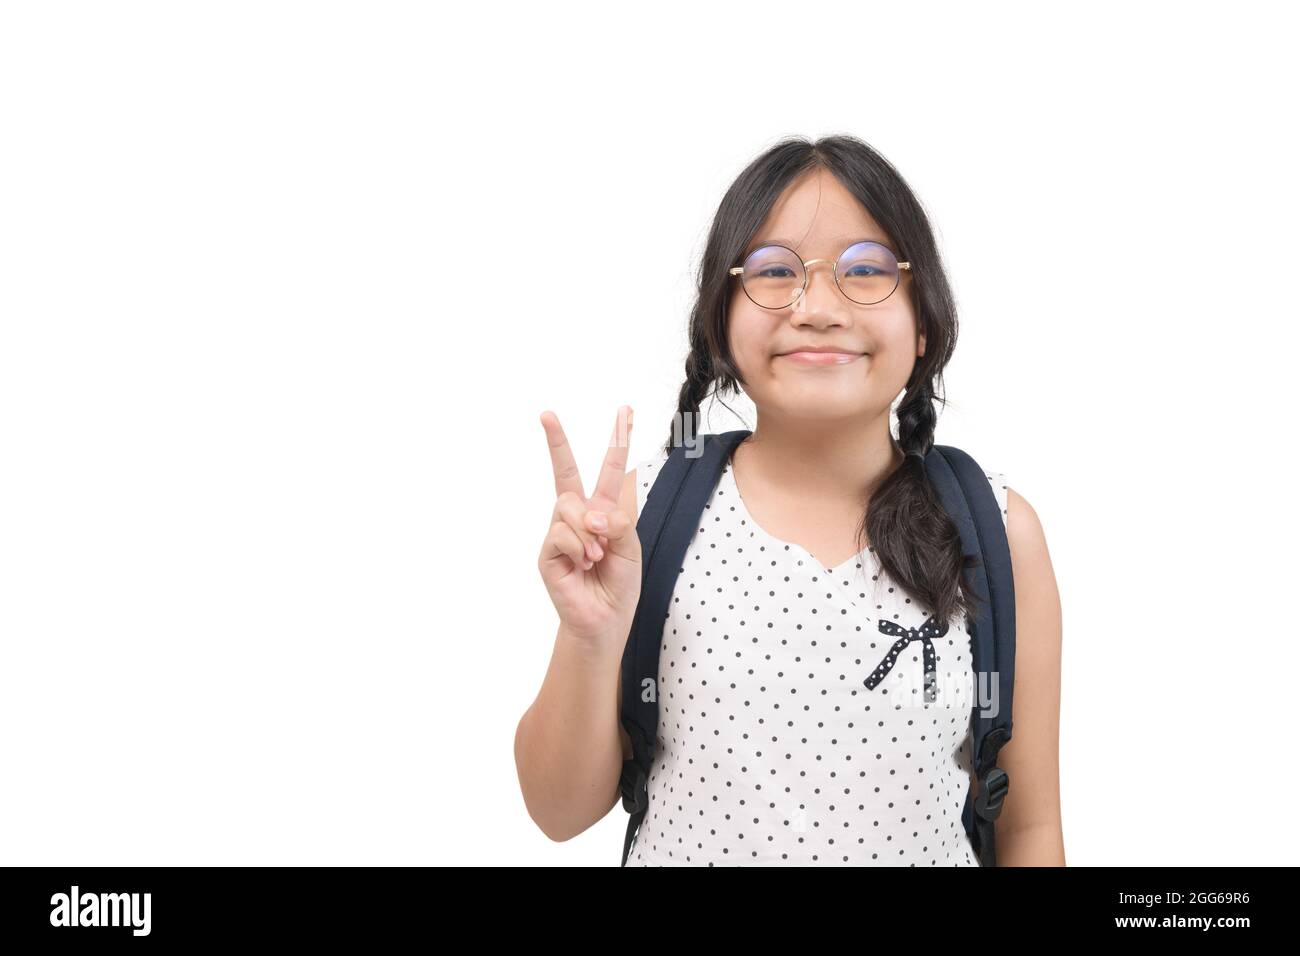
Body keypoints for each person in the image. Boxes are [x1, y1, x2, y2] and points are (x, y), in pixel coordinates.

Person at [514, 134, 1065, 866]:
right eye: (775, 271)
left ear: (924, 320)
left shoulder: (996, 531)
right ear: (720, 321)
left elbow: (1028, 827)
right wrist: (589, 637)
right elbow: (557, 812)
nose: (816, 306)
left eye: (864, 269)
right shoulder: (643, 520)